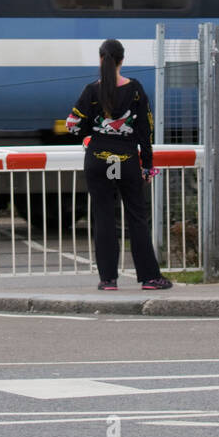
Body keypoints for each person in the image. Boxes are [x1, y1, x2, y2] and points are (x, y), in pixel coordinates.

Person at [66, 39, 173, 291]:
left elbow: (72, 123)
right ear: (122, 60)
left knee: (103, 217)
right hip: (126, 160)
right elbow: (146, 131)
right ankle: (149, 278)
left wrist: (88, 133)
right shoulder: (135, 89)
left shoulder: (91, 90)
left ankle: (108, 280)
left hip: (97, 160)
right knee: (137, 218)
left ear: (101, 59)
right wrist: (147, 167)